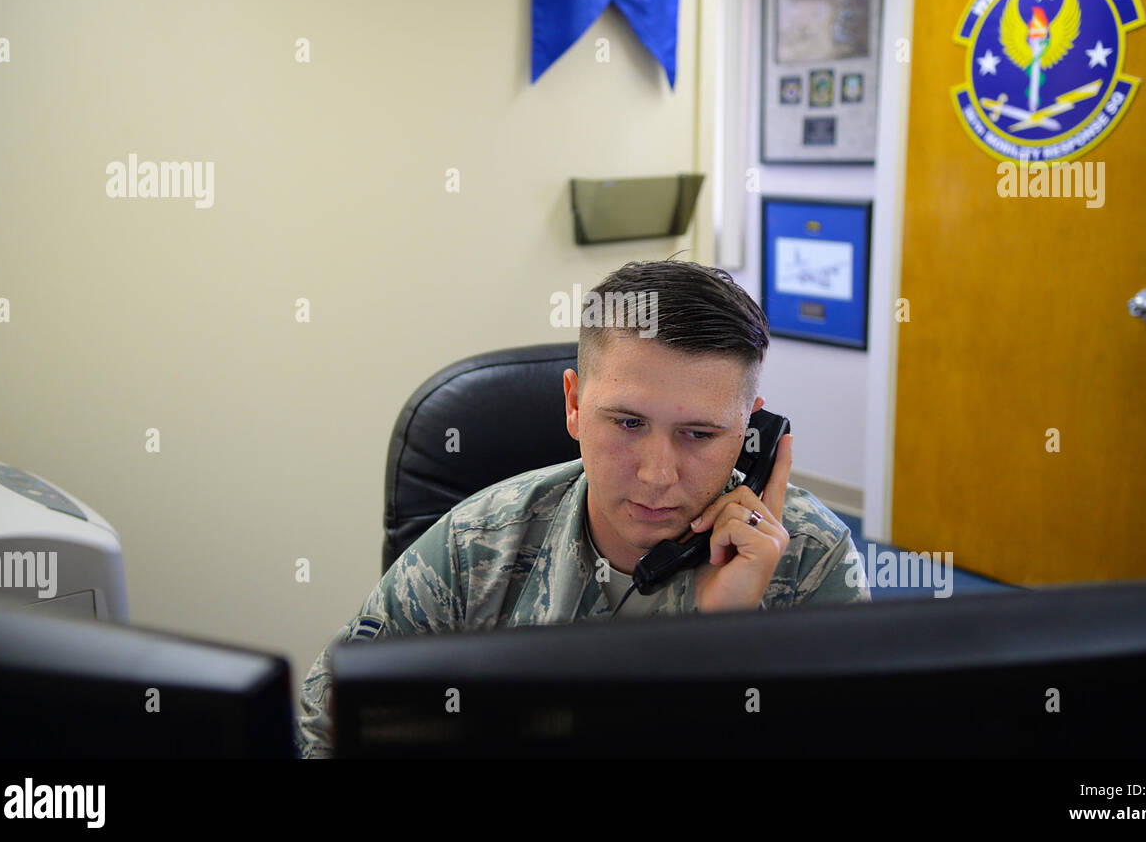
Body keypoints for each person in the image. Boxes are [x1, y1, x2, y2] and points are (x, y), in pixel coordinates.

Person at [296, 259, 870, 757]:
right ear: (573, 404)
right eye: (627, 423)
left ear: (748, 429)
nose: (657, 474)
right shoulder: (478, 545)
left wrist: (727, 638)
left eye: (699, 434)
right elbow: (326, 726)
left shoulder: (808, 559)